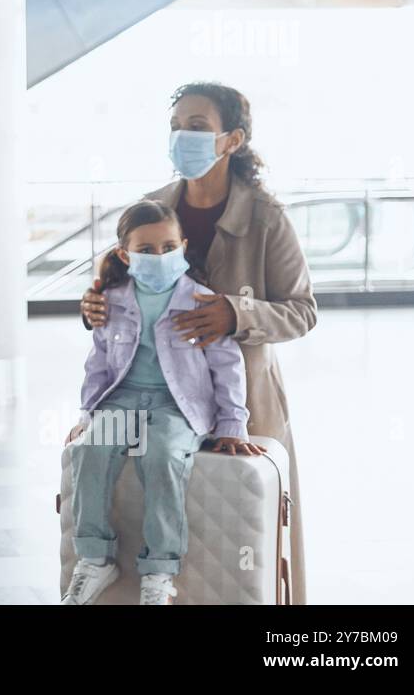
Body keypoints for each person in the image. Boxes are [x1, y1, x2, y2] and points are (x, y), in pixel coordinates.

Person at [79, 82, 317, 603]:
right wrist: (92, 305)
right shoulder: (155, 208)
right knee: (166, 537)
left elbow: (303, 311)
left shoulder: (266, 218)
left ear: (231, 140)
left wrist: (236, 312)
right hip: (156, 405)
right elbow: (121, 286)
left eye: (196, 126)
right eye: (176, 126)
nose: (181, 136)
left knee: (243, 541)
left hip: (244, 401)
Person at [62, 199, 262, 605]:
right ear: (125, 254)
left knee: (163, 456)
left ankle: (159, 571)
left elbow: (228, 369)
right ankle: (96, 558)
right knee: (91, 450)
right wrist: (88, 416)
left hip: (178, 406)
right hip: (123, 401)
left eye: (169, 247)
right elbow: (98, 363)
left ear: (183, 246)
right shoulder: (112, 300)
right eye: (147, 250)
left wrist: (232, 426)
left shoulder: (202, 302)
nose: (160, 257)